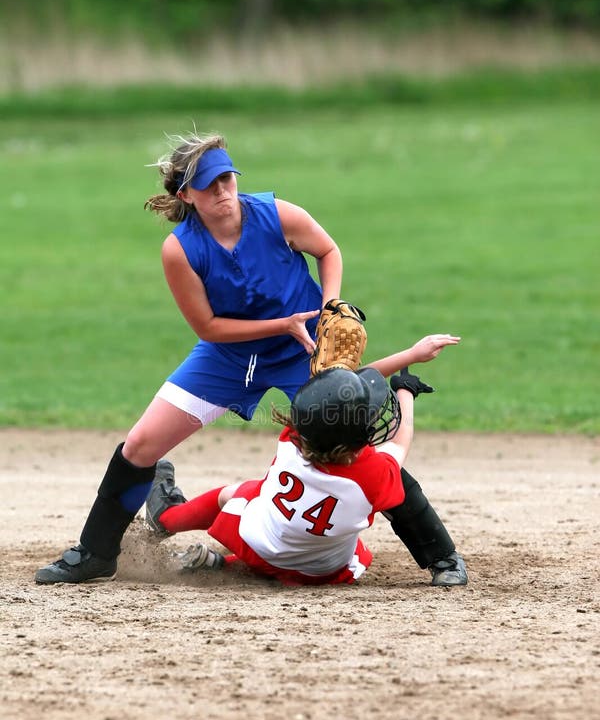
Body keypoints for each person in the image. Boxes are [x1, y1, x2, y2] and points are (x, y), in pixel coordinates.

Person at [34, 131, 466, 587]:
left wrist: (330, 308)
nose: (222, 191)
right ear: (186, 195)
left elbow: (328, 250)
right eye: (208, 185)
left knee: (353, 443)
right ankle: (96, 553)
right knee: (140, 446)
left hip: (300, 348)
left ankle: (442, 557)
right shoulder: (180, 249)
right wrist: (281, 324)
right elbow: (208, 328)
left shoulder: (276, 215)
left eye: (227, 179)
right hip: (227, 355)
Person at [144, 360, 466, 587]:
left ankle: (169, 518)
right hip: (324, 574)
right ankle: (444, 562)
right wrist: (405, 391)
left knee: (241, 492)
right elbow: (400, 441)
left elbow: (324, 412)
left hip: (257, 550)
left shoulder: (291, 437)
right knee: (399, 485)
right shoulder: (371, 475)